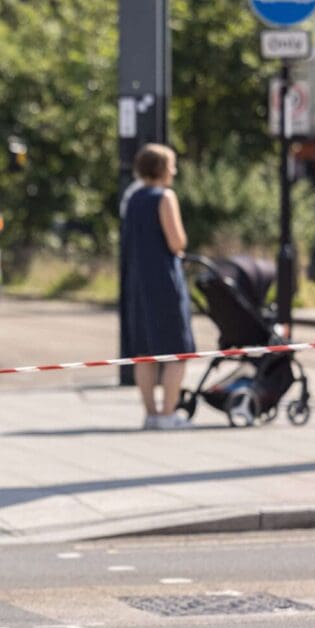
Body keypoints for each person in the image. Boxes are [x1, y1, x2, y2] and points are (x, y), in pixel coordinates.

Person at [120, 143, 195, 430]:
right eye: (171, 165)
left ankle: (150, 413)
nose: (174, 170)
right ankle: (167, 413)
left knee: (145, 352)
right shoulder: (165, 197)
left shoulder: (133, 198)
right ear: (162, 169)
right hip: (164, 281)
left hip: (137, 283)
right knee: (177, 349)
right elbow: (177, 241)